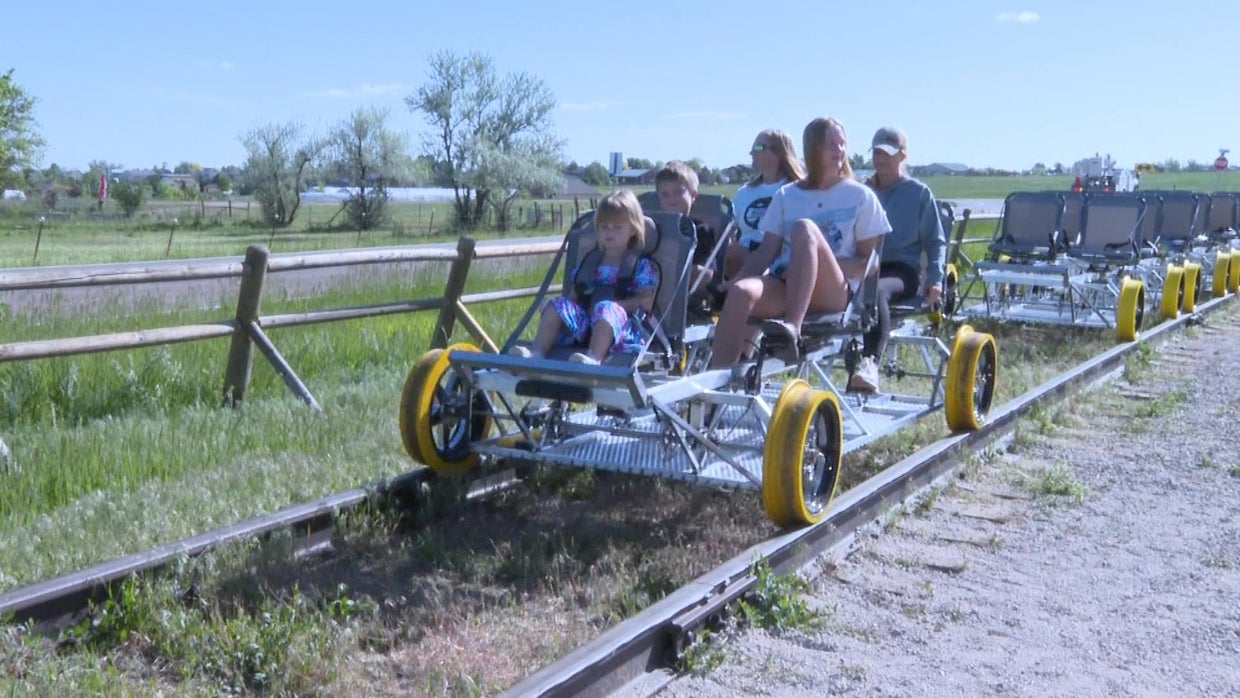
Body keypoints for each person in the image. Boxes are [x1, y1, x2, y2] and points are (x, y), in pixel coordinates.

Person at [708, 117, 890, 370]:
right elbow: (765, 253)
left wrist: (808, 267)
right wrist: (733, 282)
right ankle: (717, 380)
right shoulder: (787, 194)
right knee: (741, 292)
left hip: (832, 291)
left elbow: (868, 263)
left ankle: (791, 330)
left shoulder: (860, 196)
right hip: (786, 284)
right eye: (831, 144)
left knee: (805, 229)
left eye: (842, 144)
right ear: (813, 148)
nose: (839, 150)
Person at [509, 189, 659, 365]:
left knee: (606, 309)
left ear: (632, 230)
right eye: (604, 227)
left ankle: (594, 358)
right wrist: (562, 310)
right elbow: (575, 294)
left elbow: (646, 302)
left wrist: (614, 306)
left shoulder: (639, 265)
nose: (609, 233)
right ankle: (537, 352)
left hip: (621, 329)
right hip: (586, 322)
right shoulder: (590, 262)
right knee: (556, 304)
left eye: (617, 227)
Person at [854, 126, 948, 392]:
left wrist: (935, 279)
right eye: (876, 152)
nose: (880, 158)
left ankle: (870, 364)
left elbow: (935, 241)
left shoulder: (918, 193)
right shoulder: (861, 191)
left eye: (887, 153)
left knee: (875, 290)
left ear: (902, 155)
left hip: (901, 270)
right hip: (863, 264)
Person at [724, 129, 806, 279]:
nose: (751, 153)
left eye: (758, 147)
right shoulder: (744, 192)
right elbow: (727, 230)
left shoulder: (796, 191)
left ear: (779, 152)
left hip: (777, 261)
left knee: (730, 252)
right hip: (743, 258)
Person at [654, 161, 718, 300]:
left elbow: (706, 275)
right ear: (658, 196)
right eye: (664, 194)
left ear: (693, 195)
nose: (671, 199)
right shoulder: (652, 228)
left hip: (684, 296)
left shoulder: (700, 231)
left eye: (678, 192)